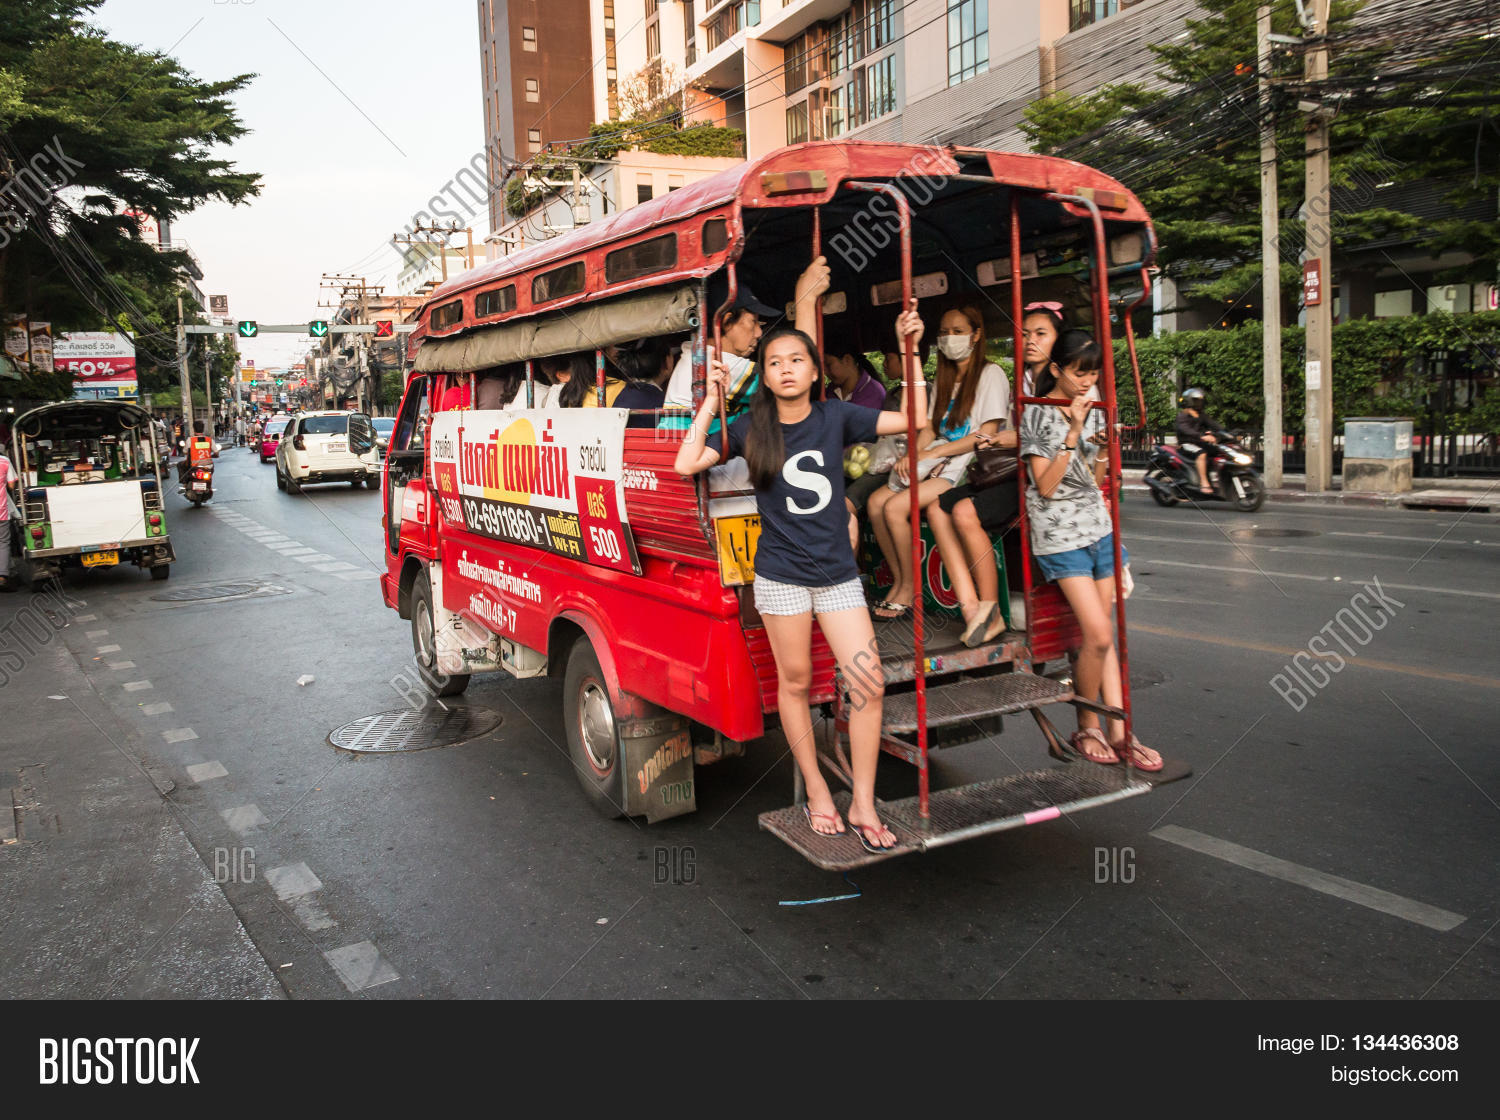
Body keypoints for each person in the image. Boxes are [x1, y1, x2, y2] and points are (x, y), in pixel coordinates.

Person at [673, 307, 927, 851]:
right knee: (796, 684)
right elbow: (685, 462)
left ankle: (863, 801)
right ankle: (816, 789)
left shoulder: (837, 416)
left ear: (814, 371)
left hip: (837, 576)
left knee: (867, 682)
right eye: (774, 362)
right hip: (781, 577)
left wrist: (909, 354)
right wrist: (713, 402)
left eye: (796, 360)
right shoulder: (749, 427)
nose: (786, 369)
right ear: (764, 376)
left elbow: (915, 421)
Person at [1020, 329, 1161, 771]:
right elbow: (1046, 486)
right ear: (1057, 370)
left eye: (1093, 373)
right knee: (1096, 636)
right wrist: (1075, 430)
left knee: (1105, 638)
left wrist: (1101, 448)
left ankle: (1119, 730)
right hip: (1061, 538)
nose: (1087, 382)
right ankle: (1087, 725)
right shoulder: (1037, 413)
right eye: (1079, 373)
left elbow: (1094, 479)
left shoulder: (1093, 405)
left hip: (1098, 529)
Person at [866, 306, 1009, 638]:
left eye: (958, 331)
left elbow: (985, 435)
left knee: (895, 507)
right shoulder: (944, 378)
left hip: (965, 466)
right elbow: (930, 428)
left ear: (976, 335)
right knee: (874, 503)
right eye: (944, 332)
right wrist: (914, 454)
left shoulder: (991, 375)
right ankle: (902, 579)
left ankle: (909, 589)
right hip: (936, 460)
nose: (949, 338)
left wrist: (932, 453)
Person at [927, 302, 1066, 639]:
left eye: (1041, 334)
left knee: (964, 511)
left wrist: (1014, 437)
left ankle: (990, 611)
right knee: (937, 507)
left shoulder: (1064, 380)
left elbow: (1063, 433)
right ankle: (970, 604)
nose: (1030, 341)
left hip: (1044, 478)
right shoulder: (1026, 379)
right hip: (1014, 470)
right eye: (1025, 334)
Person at [661, 257, 831, 433]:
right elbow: (799, 378)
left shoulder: (696, 355)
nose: (758, 333)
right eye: (753, 322)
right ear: (727, 322)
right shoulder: (719, 363)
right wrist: (805, 298)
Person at [1174, 386, 1227, 498]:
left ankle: (1219, 481)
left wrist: (1227, 433)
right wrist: (1202, 436)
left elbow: (1214, 425)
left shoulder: (1201, 415)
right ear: (1189, 401)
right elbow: (1186, 430)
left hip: (1198, 443)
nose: (1199, 403)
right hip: (1186, 444)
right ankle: (1204, 483)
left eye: (1200, 400)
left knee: (1219, 452)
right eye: (1196, 400)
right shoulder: (1182, 416)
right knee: (1202, 453)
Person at [0, 444, 18, 591]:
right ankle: (2, 577)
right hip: (1, 511)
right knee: (3, 543)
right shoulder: (4, 461)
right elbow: (11, 485)